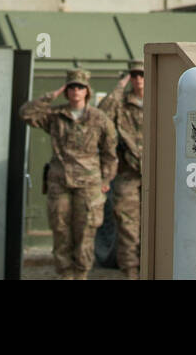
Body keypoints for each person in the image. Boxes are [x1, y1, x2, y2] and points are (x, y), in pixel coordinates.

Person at [19, 67, 117, 279]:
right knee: (61, 232)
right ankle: (65, 275)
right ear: (66, 90)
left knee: (85, 233)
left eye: (80, 87)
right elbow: (26, 113)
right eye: (71, 87)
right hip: (60, 183)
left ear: (87, 91)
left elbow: (110, 153)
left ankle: (81, 275)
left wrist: (106, 179)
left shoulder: (99, 119)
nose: (75, 91)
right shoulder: (56, 116)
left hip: (88, 185)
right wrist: (50, 95)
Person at [98, 60, 144, 279]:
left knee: (159, 227)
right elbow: (102, 113)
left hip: (157, 175)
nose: (138, 80)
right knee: (128, 230)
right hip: (128, 176)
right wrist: (120, 85)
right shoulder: (122, 104)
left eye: (142, 75)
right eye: (133, 75)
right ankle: (131, 275)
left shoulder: (161, 99)